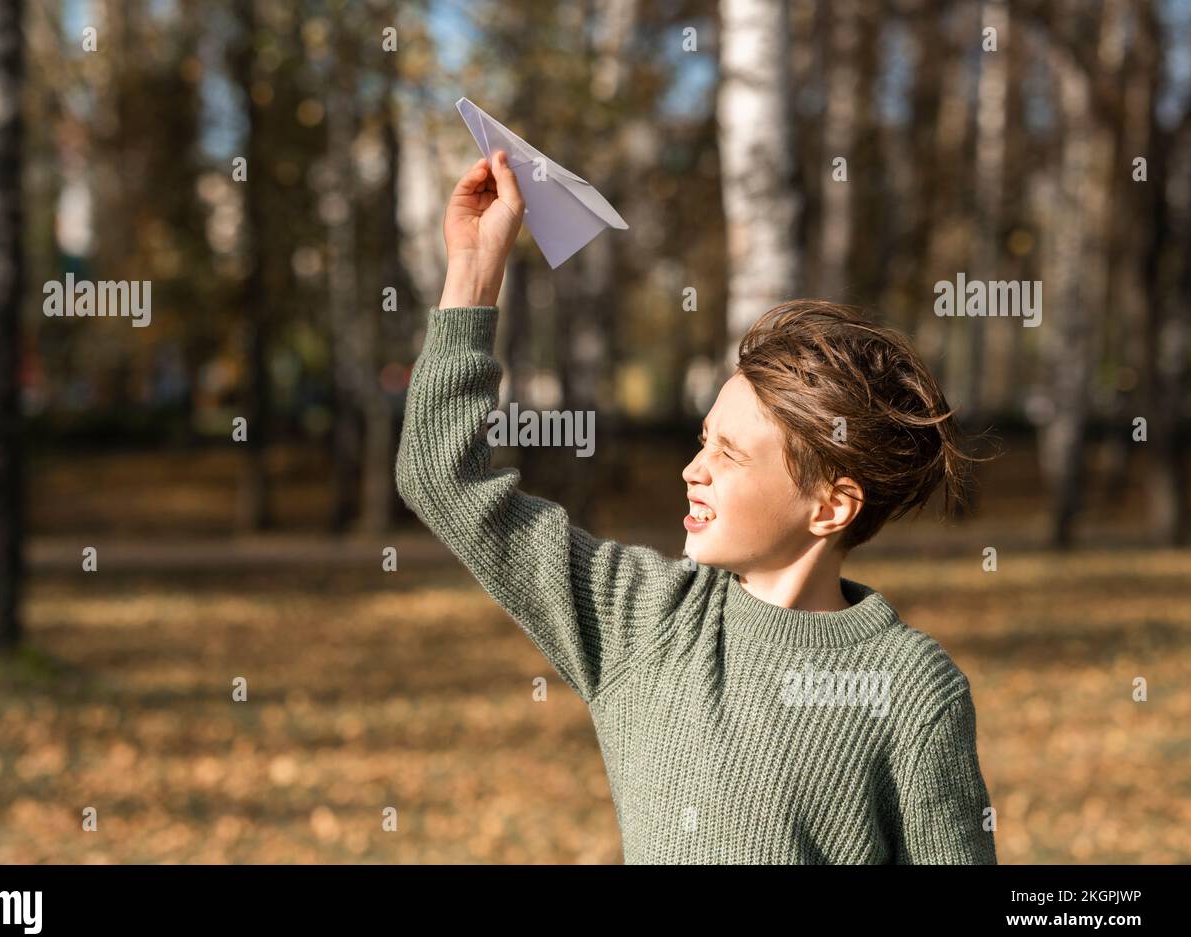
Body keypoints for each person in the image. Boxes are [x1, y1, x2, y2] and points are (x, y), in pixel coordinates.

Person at [395, 149, 997, 864]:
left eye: (730, 455)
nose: (692, 471)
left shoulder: (912, 691)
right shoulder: (642, 619)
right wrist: (474, 266)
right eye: (702, 440)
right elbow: (440, 476)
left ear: (832, 508)